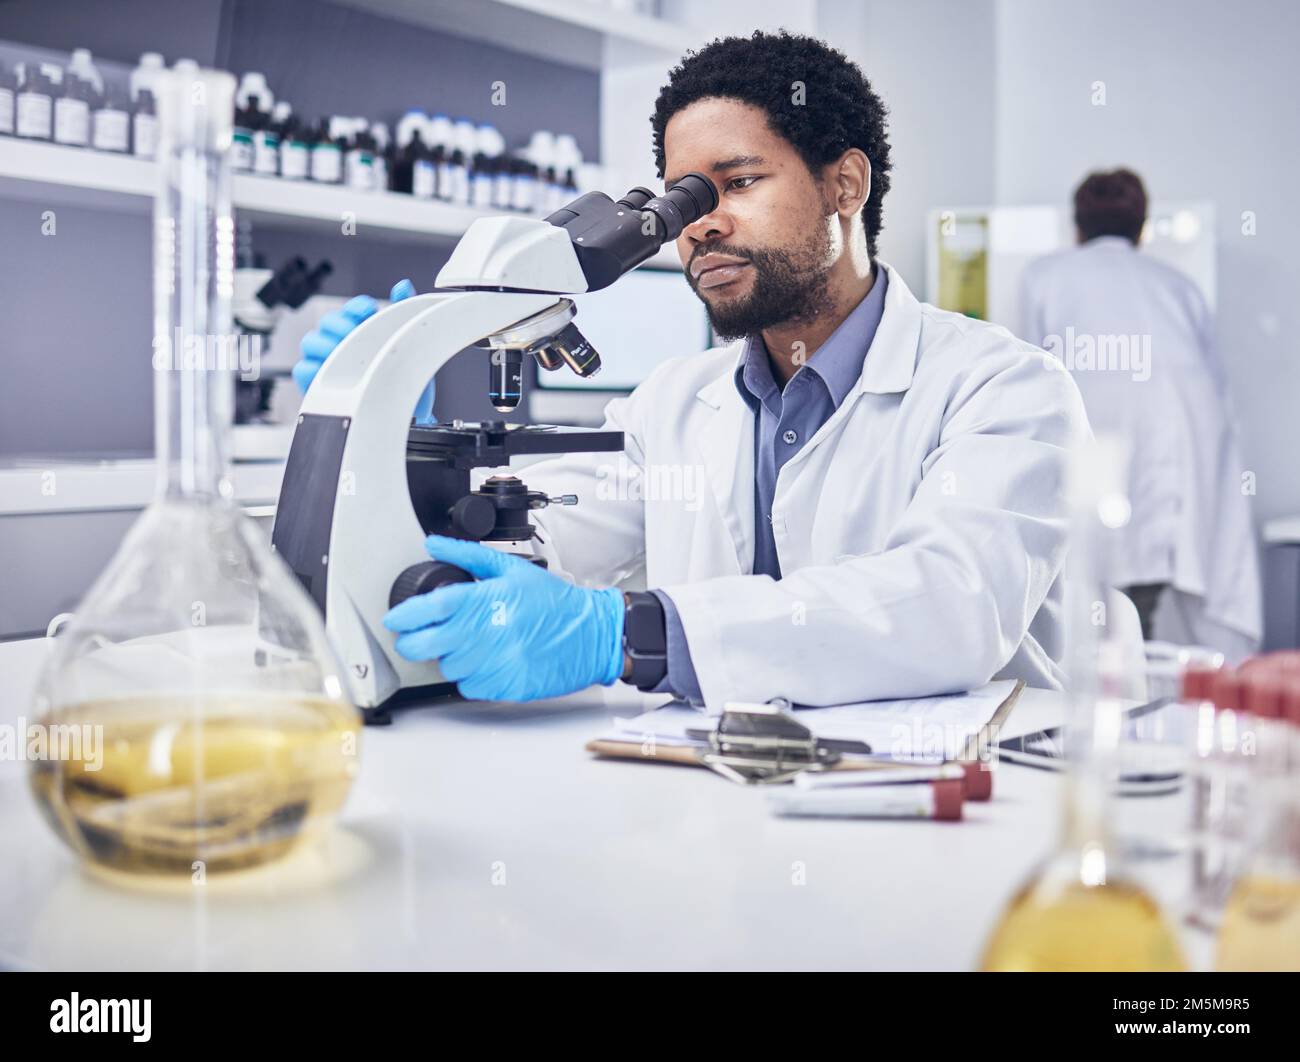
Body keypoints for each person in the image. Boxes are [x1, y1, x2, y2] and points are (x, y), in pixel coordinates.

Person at [295, 31, 1090, 707]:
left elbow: (948, 608)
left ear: (844, 185)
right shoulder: (672, 404)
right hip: (717, 816)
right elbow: (530, 553)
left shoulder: (1003, 388)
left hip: (952, 823)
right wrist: (397, 444)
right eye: (685, 199)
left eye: (738, 182)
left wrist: (628, 636)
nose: (701, 226)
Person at [1019, 169, 1260, 656]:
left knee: (1085, 601)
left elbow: (1026, 382)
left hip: (1090, 460)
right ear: (1142, 229)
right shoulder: (1178, 286)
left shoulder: (1044, 277)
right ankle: (1129, 701)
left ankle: (1103, 706)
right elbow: (1210, 394)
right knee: (1136, 603)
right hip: (1167, 469)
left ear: (1078, 227)